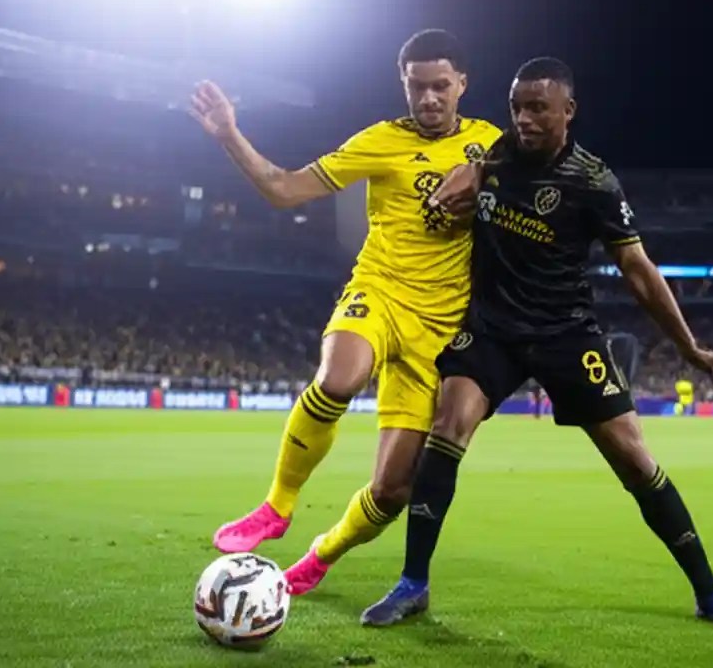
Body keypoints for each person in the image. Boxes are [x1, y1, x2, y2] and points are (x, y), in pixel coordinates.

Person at [360, 57, 713, 630]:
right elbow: (469, 163)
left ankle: (710, 592)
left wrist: (687, 347)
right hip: (492, 330)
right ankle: (413, 583)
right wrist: (473, 169)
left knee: (634, 457)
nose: (524, 119)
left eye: (537, 108)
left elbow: (638, 269)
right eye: (516, 107)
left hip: (566, 333)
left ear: (567, 111)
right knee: (448, 425)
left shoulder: (593, 182)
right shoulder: (495, 155)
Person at [189, 29, 502, 593]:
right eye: (416, 87)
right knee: (340, 376)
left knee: (392, 490)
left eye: (439, 86)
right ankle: (276, 506)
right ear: (402, 85)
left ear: (462, 84)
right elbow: (285, 190)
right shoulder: (380, 140)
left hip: (441, 325)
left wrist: (485, 175)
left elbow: (539, 191)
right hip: (379, 290)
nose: (428, 98)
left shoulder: (493, 144)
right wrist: (230, 135)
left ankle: (320, 555)